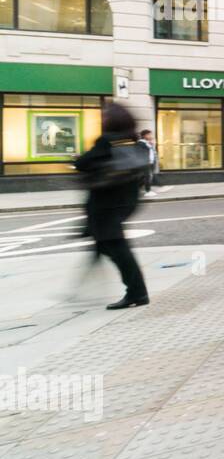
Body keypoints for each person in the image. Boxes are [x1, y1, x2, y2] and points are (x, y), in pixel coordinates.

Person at [74, 103, 150, 310]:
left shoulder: (106, 141)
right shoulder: (133, 141)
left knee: (116, 247)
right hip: (125, 200)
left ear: (112, 120)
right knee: (106, 243)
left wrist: (77, 160)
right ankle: (82, 286)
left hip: (106, 202)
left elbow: (83, 163)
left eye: (104, 116)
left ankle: (137, 292)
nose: (102, 119)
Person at [138, 129, 159, 195]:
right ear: (145, 135)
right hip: (145, 163)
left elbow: (152, 152)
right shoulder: (141, 143)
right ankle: (148, 191)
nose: (151, 136)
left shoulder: (148, 143)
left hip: (150, 162)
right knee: (147, 176)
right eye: (149, 134)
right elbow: (142, 154)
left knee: (144, 177)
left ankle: (138, 189)